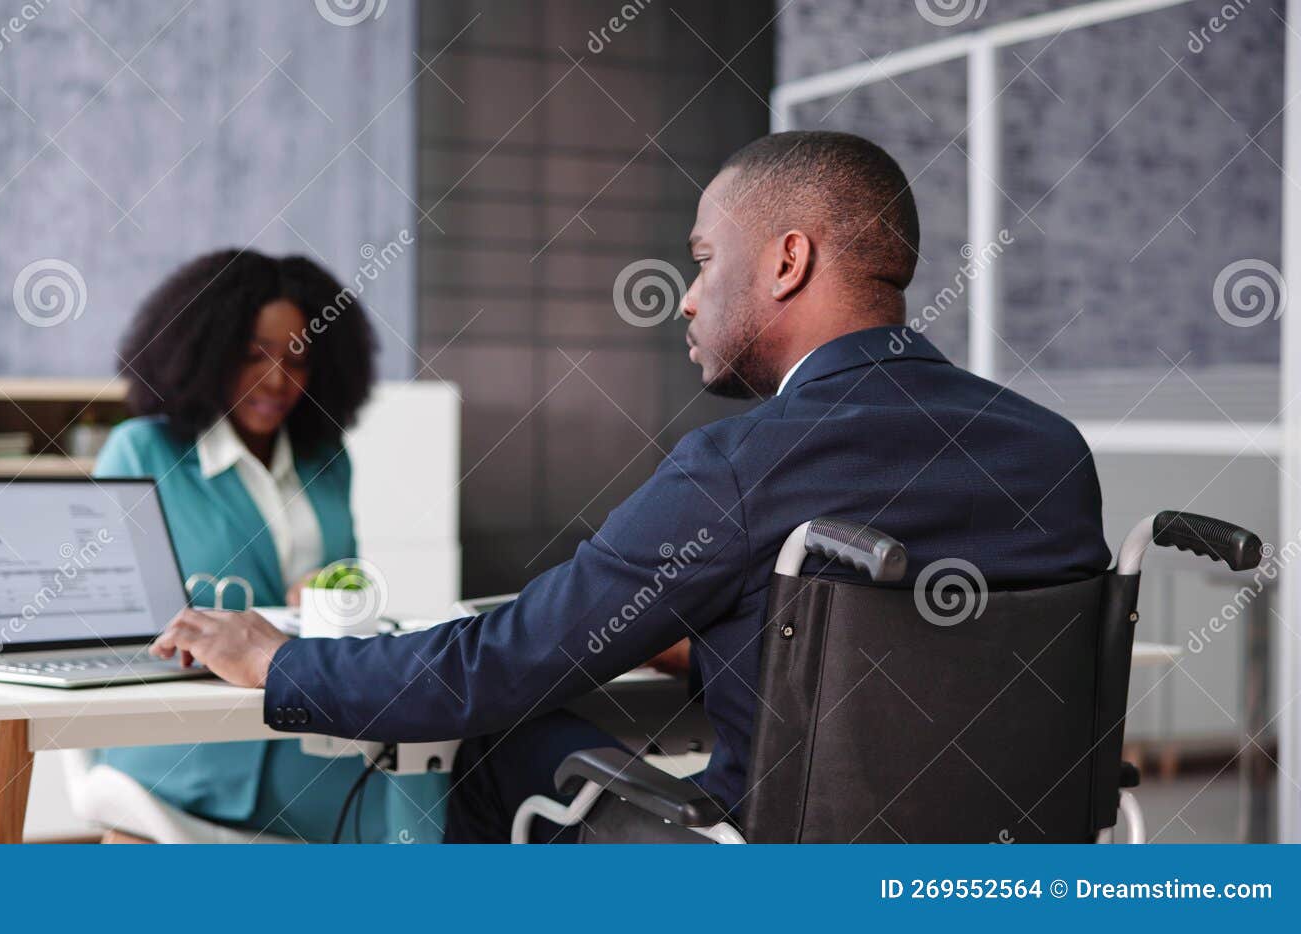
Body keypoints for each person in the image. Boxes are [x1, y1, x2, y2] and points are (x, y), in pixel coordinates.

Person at [143, 131, 1114, 842]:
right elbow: (929, 663)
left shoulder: (741, 464)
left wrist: (281, 662)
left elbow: (500, 663)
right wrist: (729, 642)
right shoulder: (1048, 450)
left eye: (701, 259)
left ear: (787, 260)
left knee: (493, 743)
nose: (686, 296)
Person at [93, 248, 446, 843]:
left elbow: (351, 587)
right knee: (418, 792)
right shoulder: (141, 453)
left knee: (438, 761)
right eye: (253, 355)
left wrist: (333, 596)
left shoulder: (326, 462)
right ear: (207, 352)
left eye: (297, 358)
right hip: (197, 748)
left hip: (310, 727)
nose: (277, 381)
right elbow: (109, 613)